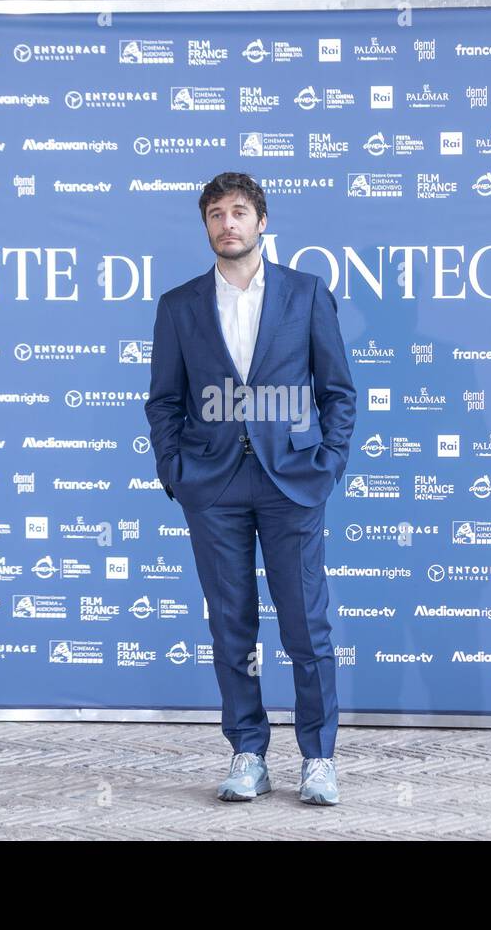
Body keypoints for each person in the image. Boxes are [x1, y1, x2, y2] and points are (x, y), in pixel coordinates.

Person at [144, 172, 356, 805]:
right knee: (231, 629)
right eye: (216, 214)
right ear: (206, 226)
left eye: (239, 212)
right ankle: (248, 753)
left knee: (306, 629)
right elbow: (164, 401)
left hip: (291, 482)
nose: (227, 223)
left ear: (262, 222)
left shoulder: (306, 294)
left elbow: (337, 392)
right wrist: (175, 471)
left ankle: (317, 758)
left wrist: (328, 463)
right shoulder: (180, 306)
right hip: (213, 487)